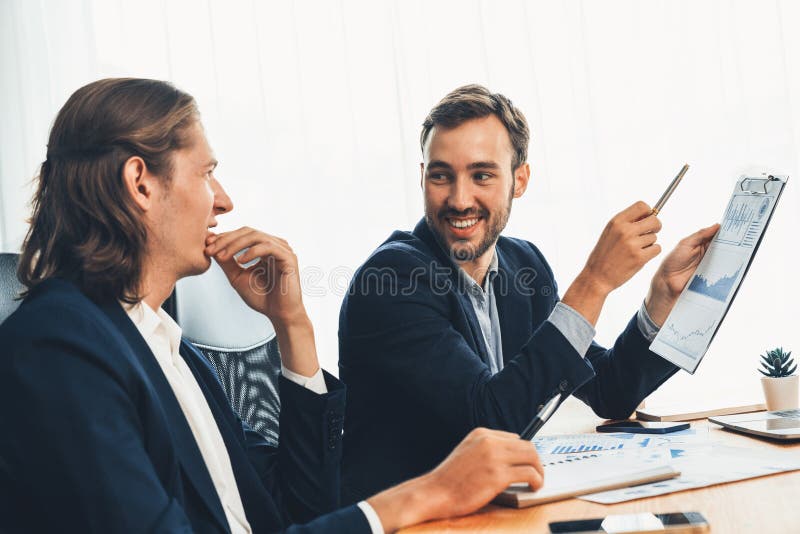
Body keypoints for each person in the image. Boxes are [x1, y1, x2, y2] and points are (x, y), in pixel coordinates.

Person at [0, 78, 545, 533]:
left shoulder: (173, 351)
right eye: (206, 172)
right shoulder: (59, 346)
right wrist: (425, 495)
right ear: (141, 183)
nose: (224, 200)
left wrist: (292, 326)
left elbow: (296, 509)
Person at [338, 84, 720, 502]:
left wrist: (661, 300)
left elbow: (611, 392)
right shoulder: (392, 279)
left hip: (497, 515)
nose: (459, 198)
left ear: (520, 180)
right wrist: (594, 282)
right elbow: (492, 424)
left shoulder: (523, 266)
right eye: (441, 175)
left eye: (481, 174)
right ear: (423, 176)